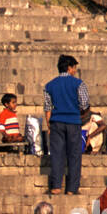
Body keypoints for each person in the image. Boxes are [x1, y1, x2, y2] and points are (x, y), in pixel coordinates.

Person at [43, 54, 90, 195]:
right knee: (74, 155)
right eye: (74, 67)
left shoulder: (49, 85)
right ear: (69, 68)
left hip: (56, 122)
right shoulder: (78, 83)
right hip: (73, 122)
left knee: (57, 154)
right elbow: (84, 103)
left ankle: (56, 186)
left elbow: (47, 107)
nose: (75, 70)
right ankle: (71, 188)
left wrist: (49, 126)